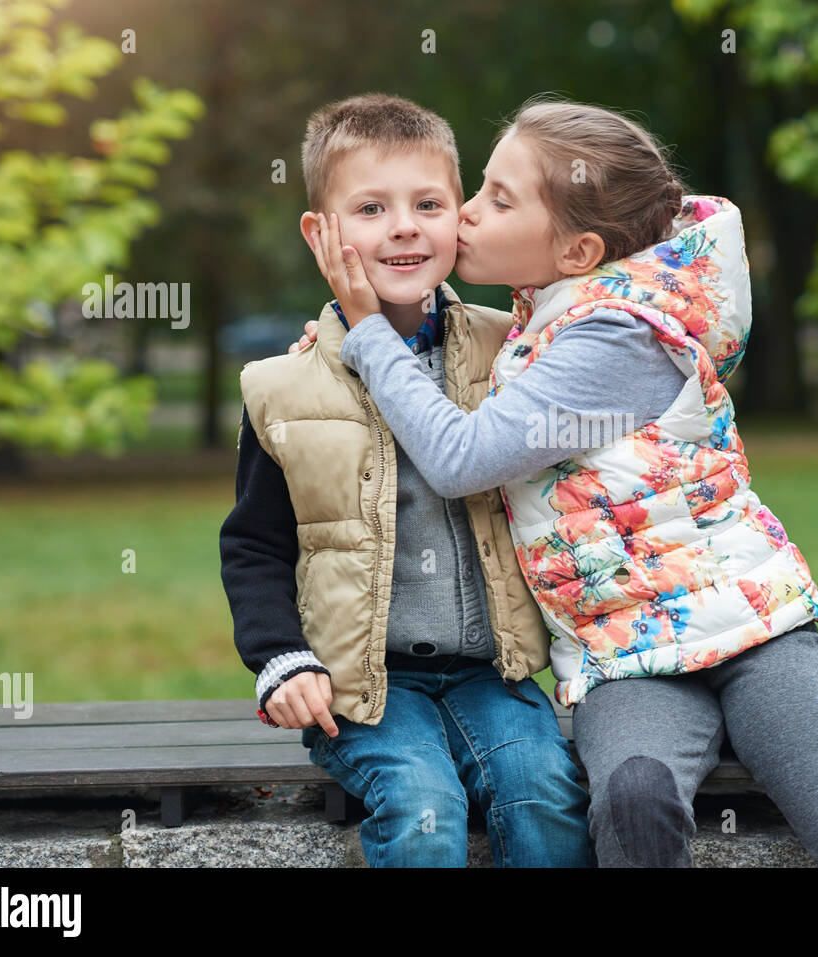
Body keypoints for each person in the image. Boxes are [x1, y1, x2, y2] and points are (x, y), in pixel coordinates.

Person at [297, 96, 818, 868]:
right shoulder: (557, 311)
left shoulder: (616, 336)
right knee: (631, 801)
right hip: (625, 657)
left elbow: (460, 457)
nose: (462, 213)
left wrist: (365, 336)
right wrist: (338, 340)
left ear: (578, 250)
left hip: (758, 640)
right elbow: (442, 349)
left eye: (497, 198)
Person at [219, 93, 591, 868]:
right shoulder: (282, 388)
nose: (403, 227)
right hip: (366, 687)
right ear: (321, 233)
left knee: (545, 798)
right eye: (370, 207)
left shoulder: (513, 349)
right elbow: (253, 544)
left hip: (497, 671)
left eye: (428, 203)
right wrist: (280, 659)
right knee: (424, 806)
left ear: (461, 215)